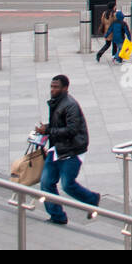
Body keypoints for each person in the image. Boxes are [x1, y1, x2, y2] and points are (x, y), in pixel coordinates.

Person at [38, 74, 102, 224]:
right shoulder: (56, 102)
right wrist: (46, 129)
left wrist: (48, 131)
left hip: (72, 151)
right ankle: (57, 216)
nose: (52, 90)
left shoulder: (70, 105)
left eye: (56, 87)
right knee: (46, 183)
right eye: (51, 86)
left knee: (67, 184)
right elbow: (57, 126)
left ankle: (92, 199)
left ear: (65, 88)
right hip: (57, 149)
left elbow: (71, 130)